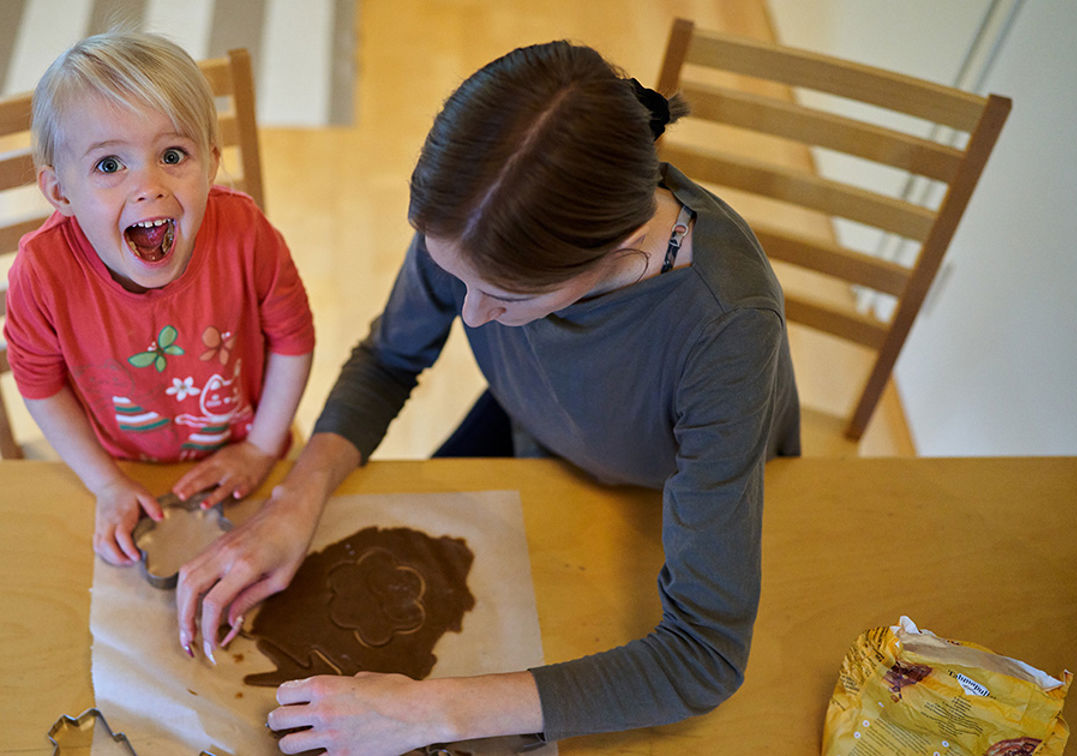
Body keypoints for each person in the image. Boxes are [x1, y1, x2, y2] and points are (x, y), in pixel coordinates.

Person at [174, 39, 801, 752]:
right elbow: (387, 361)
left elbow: (704, 654)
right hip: (534, 427)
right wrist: (296, 499)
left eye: (505, 296)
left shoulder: (726, 329)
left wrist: (430, 710)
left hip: (671, 488)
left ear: (614, 248)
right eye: (457, 279)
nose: (470, 316)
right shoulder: (477, 211)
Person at [4, 29, 315, 570]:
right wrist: (106, 483)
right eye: (109, 165)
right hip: (120, 467)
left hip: (249, 450)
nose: (149, 185)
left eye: (173, 155)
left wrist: (260, 448)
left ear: (211, 163)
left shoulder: (247, 233)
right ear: (60, 191)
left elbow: (294, 338)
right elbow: (39, 385)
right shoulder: (40, 273)